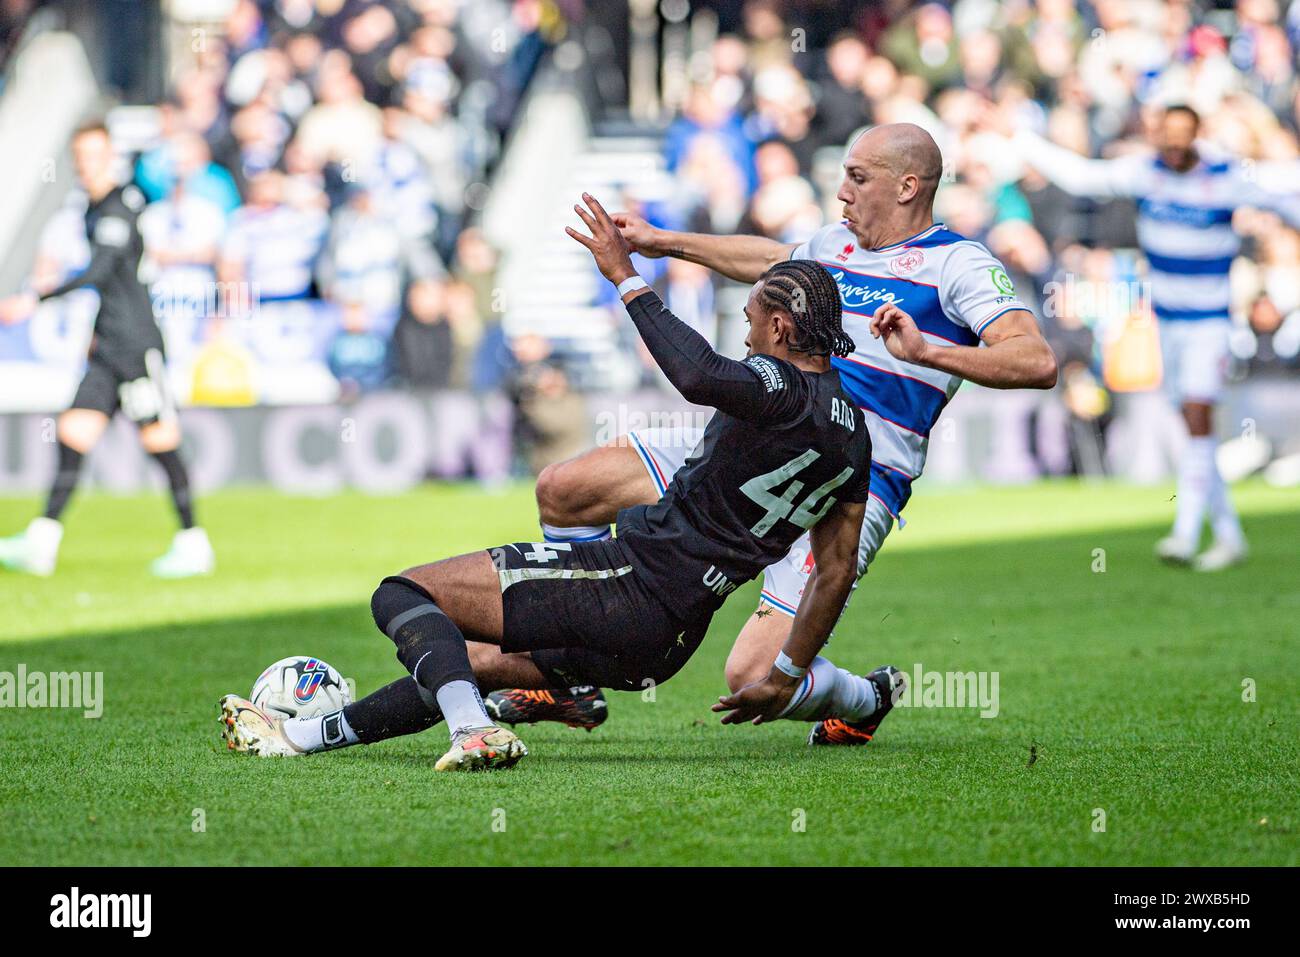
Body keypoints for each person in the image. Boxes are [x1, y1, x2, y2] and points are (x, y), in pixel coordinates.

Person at [218, 193, 879, 771]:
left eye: (753, 322)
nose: (748, 337)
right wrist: (787, 672)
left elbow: (699, 374)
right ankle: (295, 737)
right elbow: (835, 569)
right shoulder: (854, 440)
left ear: (781, 327)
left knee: (402, 594)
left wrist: (625, 277)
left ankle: (473, 731)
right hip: (670, 639)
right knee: (469, 661)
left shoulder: (777, 385)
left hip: (628, 583)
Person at [488, 124, 1057, 745]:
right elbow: (769, 262)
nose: (842, 192)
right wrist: (662, 242)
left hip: (844, 481)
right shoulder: (833, 243)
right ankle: (569, 675)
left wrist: (929, 353)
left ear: (907, 187)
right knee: (566, 489)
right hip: (752, 442)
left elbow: (1036, 361)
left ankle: (866, 699)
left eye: (857, 178)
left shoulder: (959, 264)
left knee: (755, 675)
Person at [1004, 104, 1300, 571]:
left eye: (1183, 136)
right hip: (1166, 322)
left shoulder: (1226, 177)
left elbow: (1286, 192)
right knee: (1193, 428)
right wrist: (1021, 139)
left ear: (1196, 135)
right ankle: (1229, 536)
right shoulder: (1145, 172)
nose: (1174, 146)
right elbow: (1083, 177)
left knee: (1198, 418)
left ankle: (1185, 533)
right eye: (1167, 136)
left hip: (1209, 323)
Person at [0, 123, 214, 578]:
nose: (87, 164)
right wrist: (96, 334)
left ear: (110, 157)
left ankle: (194, 542)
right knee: (73, 432)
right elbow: (112, 287)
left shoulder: (119, 207)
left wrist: (35, 299)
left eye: (95, 155)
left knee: (160, 441)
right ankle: (42, 540)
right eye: (80, 156)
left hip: (136, 348)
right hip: (108, 347)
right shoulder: (92, 209)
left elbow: (100, 271)